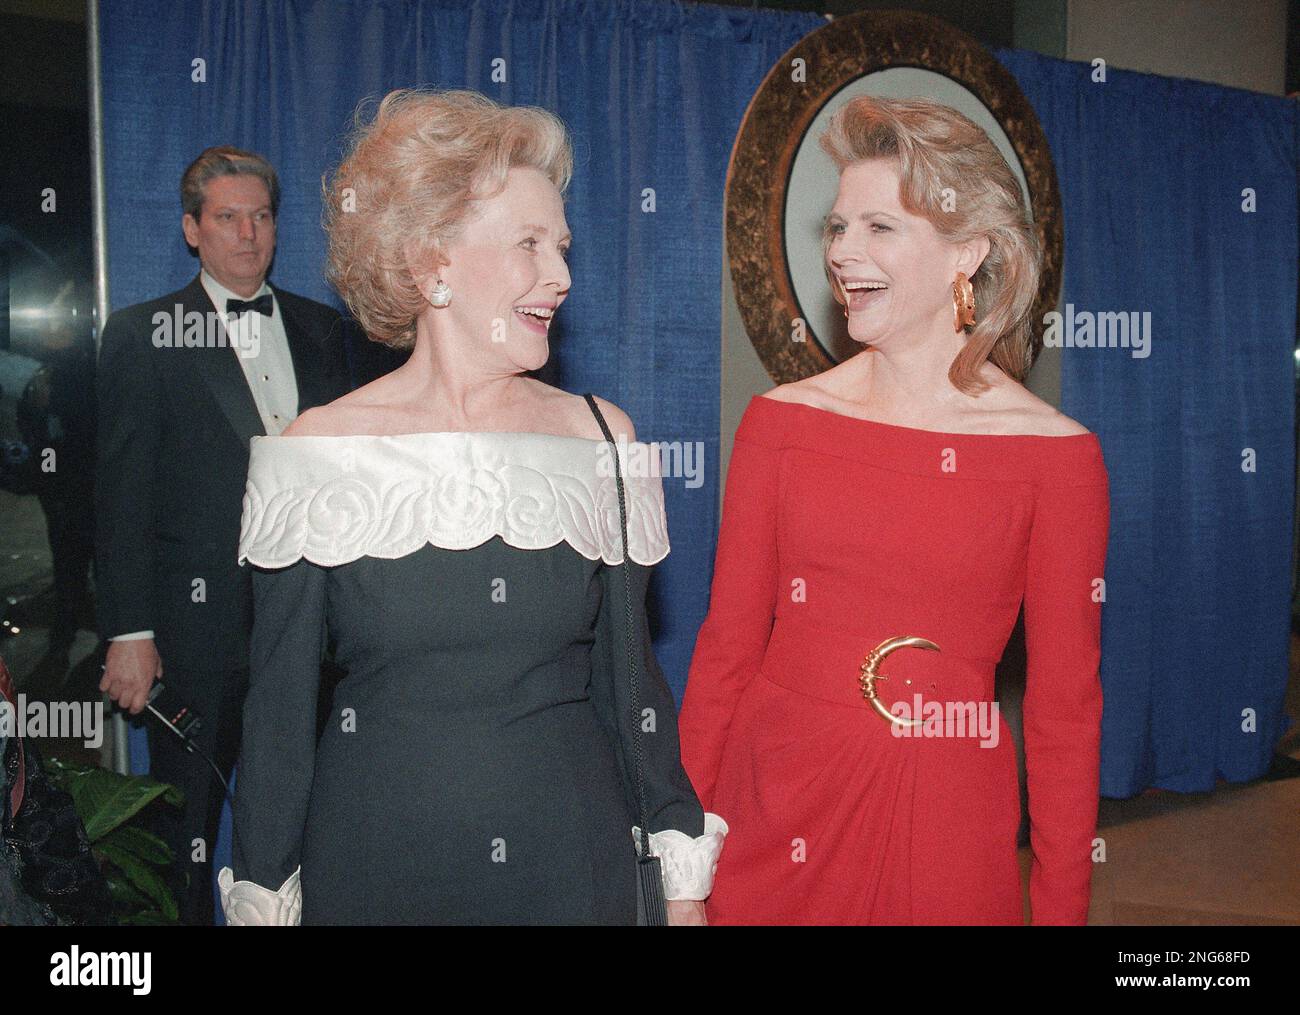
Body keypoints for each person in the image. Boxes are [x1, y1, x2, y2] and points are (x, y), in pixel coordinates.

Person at [216, 89, 726, 925]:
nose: (561, 276)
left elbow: (636, 695)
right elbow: (274, 729)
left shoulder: (601, 439)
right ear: (431, 262)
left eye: (561, 245)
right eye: (529, 244)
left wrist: (681, 886)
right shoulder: (316, 450)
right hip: (375, 874)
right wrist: (266, 898)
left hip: (574, 867)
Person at [677, 95, 1110, 925]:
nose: (843, 253)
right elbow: (725, 655)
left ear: (967, 252)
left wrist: (1062, 912)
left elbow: (1063, 717)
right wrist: (682, 864)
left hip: (948, 822)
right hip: (777, 808)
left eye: (879, 228)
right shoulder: (782, 424)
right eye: (837, 228)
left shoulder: (1057, 457)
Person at [95, 146, 353, 925]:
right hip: (195, 635)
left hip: (316, 626)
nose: (248, 234)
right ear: (191, 230)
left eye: (262, 216)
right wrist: (130, 631)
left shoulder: (324, 330)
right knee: (191, 831)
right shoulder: (145, 334)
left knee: (316, 818)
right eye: (227, 217)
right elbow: (120, 497)